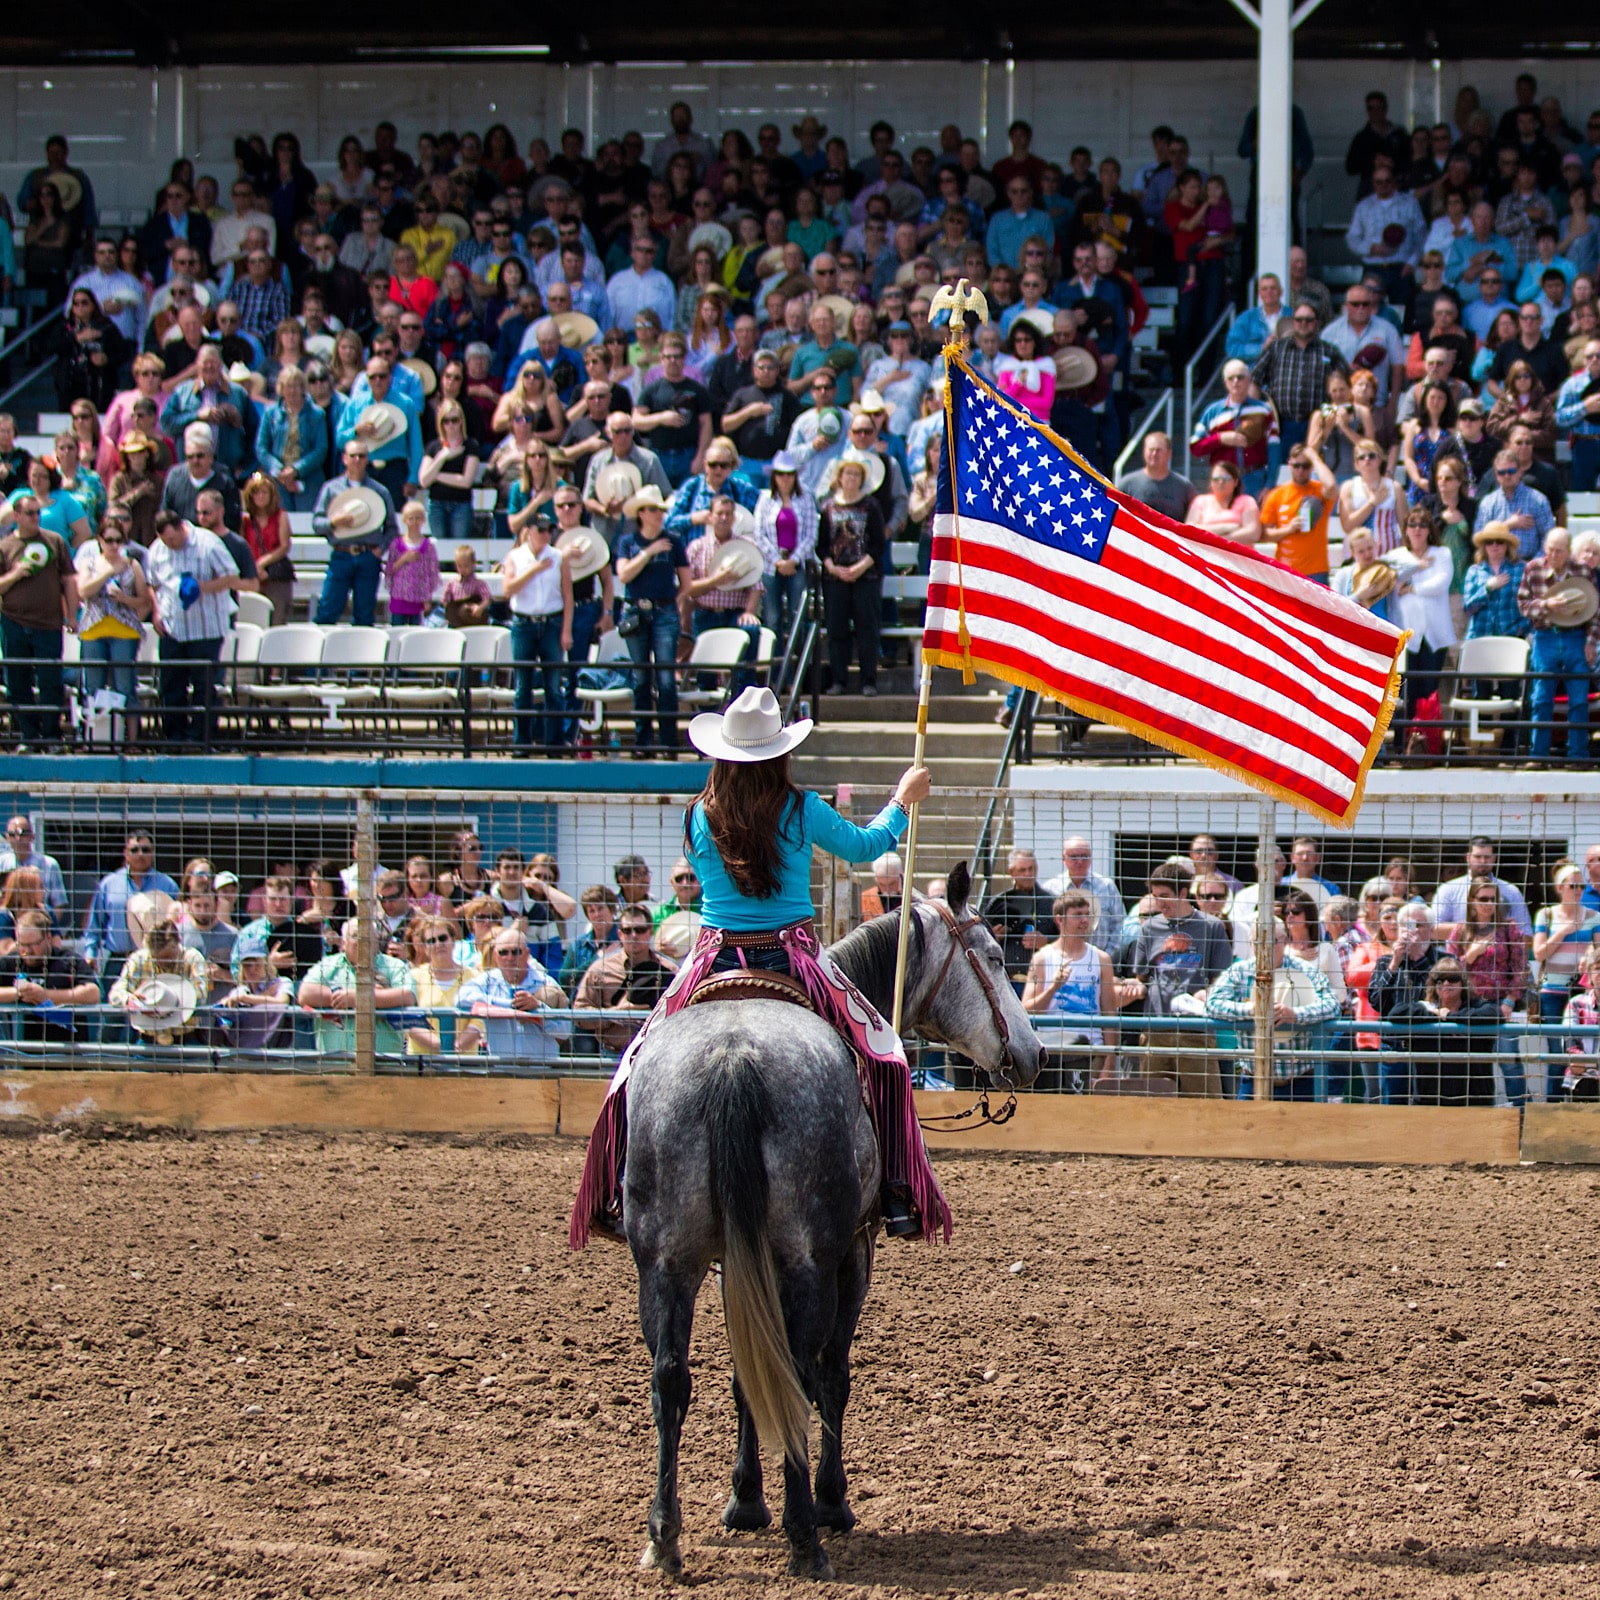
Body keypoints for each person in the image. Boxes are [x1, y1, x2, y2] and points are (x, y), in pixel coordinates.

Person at [575, 685, 943, 1242]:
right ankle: (897, 1189)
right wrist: (902, 801)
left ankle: (616, 1189)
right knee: (886, 1056)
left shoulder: (698, 816)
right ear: (780, 753)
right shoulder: (802, 809)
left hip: (713, 954)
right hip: (794, 955)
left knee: (632, 1065)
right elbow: (867, 847)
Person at [1124, 860, 1234, 1097]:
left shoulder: (1212, 927)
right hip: (1156, 1030)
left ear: (1183, 893)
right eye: (1155, 896)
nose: (1159, 902)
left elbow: (1224, 978)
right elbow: (1141, 977)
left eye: (1164, 895)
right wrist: (1133, 985)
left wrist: (1208, 992)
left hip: (1195, 1031)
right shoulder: (1149, 928)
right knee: (1153, 1103)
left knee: (1206, 1104)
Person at [1206, 919, 1339, 1101]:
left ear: (1285, 941)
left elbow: (1332, 1005)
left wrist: (1295, 1014)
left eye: (1273, 941)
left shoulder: (1306, 971)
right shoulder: (1239, 972)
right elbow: (1212, 1004)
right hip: (1253, 1081)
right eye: (1259, 942)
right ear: (1251, 944)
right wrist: (1251, 1010)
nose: (1265, 948)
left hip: (1301, 1082)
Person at [144, 509, 237, 745]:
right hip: (172, 628)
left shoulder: (208, 543)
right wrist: (155, 612)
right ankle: (173, 737)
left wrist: (201, 587)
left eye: (172, 539)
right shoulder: (157, 549)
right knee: (171, 686)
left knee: (203, 686)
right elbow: (152, 584)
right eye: (165, 540)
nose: (169, 544)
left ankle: (200, 738)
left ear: (181, 528)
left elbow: (231, 576)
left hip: (205, 629)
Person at [1020, 889, 1119, 1088]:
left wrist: (1109, 1065)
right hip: (1052, 1051)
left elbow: (1110, 1015)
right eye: (1077, 915)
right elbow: (1027, 1009)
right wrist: (1054, 987)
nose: (1084, 920)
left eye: (1087, 914)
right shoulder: (1042, 958)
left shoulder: (1101, 959)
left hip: (1091, 1052)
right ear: (1060, 919)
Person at [0, 494, 76, 750]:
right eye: (30, 513)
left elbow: (69, 580)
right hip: (13, 622)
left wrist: (73, 615)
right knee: (17, 684)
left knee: (50, 682)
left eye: (38, 513)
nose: (36, 517)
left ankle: (52, 737)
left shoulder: (54, 541)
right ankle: (29, 737)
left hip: (48, 623)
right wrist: (17, 573)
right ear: (17, 516)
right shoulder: (5, 547)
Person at [1517, 527, 1599, 760]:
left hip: (1576, 636)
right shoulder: (1533, 569)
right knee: (1541, 698)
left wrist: (1591, 642)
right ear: (1545, 548)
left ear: (1568, 551)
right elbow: (1523, 606)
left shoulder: (1582, 570)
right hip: (1545, 636)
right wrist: (1546, 605)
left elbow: (1595, 611)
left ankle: (1578, 755)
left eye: (1559, 551)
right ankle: (1538, 755)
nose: (1554, 555)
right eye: (1551, 550)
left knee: (1579, 699)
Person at [1386, 959, 1506, 1107]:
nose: (1446, 984)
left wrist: (1450, 1017)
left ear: (1462, 983)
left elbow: (1496, 1014)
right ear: (1434, 985)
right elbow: (1395, 1013)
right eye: (1440, 980)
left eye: (1453, 979)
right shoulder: (1425, 1009)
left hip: (1475, 1101)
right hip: (1430, 1101)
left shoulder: (1478, 1007)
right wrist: (1437, 1016)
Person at [817, 449, 886, 697]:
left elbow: (878, 543)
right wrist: (833, 567)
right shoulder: (828, 507)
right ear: (840, 476)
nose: (852, 478)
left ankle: (869, 680)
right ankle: (839, 680)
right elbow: (822, 544)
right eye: (848, 474)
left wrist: (859, 568)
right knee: (837, 631)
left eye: (857, 474)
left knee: (867, 629)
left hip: (865, 577)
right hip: (835, 578)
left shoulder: (871, 506)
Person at [503, 511, 573, 752]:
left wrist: (566, 630)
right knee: (523, 686)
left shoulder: (558, 557)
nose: (546, 534)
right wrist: (534, 570)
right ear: (529, 531)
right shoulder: (515, 556)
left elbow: (567, 595)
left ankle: (553, 742)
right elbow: (508, 589)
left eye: (548, 530)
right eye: (541, 530)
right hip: (524, 623)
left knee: (553, 686)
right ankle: (522, 742)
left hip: (551, 623)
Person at [298, 918, 417, 1059]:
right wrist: (343, 997)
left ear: (377, 942)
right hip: (334, 1068)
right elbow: (304, 994)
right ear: (343, 943)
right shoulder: (328, 965)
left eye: (368, 936)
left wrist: (359, 998)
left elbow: (408, 995)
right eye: (355, 936)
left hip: (385, 1066)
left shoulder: (395, 966)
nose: (362, 941)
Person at [312, 441, 398, 627]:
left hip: (368, 555)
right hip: (341, 553)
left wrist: (380, 549)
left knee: (365, 614)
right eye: (353, 456)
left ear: (367, 459)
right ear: (344, 459)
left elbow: (392, 528)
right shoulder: (331, 489)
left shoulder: (380, 491)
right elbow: (317, 523)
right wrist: (333, 523)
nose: (357, 460)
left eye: (362, 456)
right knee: (327, 609)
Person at [457, 928, 571, 1068]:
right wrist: (506, 1005)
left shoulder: (547, 984)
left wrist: (538, 1010)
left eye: (516, 952)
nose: (509, 958)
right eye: (503, 952)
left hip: (541, 1074)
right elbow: (460, 998)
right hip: (502, 1074)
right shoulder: (487, 981)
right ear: (495, 956)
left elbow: (566, 1031)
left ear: (527, 954)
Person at [575, 903, 678, 1053]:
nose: (634, 935)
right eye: (627, 930)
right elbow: (579, 1014)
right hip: (613, 1054)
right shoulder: (600, 969)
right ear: (619, 934)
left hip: (657, 1054)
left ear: (650, 932)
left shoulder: (671, 970)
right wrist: (614, 1014)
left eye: (640, 930)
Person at [83, 830, 179, 976]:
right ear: (125, 853)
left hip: (156, 962)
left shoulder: (167, 886)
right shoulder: (109, 884)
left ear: (152, 853)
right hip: (118, 961)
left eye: (145, 850)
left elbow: (179, 925)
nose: (140, 854)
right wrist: (90, 954)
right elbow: (95, 926)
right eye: (134, 850)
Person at [109, 915, 213, 1048]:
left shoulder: (192, 958)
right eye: (156, 958)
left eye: (167, 957)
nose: (161, 963)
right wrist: (130, 1000)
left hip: (186, 1039)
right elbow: (116, 993)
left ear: (178, 944)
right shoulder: (139, 959)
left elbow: (201, 995)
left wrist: (168, 1002)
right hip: (148, 1041)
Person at [0, 909, 98, 1046]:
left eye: (32, 945)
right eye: (22, 944)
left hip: (68, 1052)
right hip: (23, 1054)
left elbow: (93, 992)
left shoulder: (68, 960)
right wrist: (18, 993)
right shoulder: (11, 962)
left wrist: (45, 995)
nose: (27, 951)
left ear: (48, 937)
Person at [405, 914, 483, 1061]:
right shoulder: (414, 977)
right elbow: (408, 1020)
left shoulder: (473, 976)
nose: (438, 944)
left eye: (443, 938)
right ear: (424, 948)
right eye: (431, 941)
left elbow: (479, 1018)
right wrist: (441, 1046)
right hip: (423, 1064)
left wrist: (457, 1046)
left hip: (466, 1064)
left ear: (453, 940)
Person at [1258, 442, 1336, 583]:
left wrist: (1315, 458)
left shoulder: (1318, 490)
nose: (1300, 470)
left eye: (1305, 466)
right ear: (1289, 464)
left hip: (1316, 570)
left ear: (1311, 467)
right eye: (1296, 466)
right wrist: (1289, 529)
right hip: (1286, 570)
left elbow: (1331, 486)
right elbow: (1264, 535)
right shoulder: (1277, 495)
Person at [984, 848, 1057, 988]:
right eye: (1022, 870)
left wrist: (1046, 941)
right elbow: (980, 940)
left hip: (1040, 982)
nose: (1028, 874)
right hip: (1004, 982)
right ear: (1011, 872)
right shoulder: (998, 903)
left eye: (1031, 869)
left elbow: (1067, 939)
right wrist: (994, 936)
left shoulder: (1051, 902)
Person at [1115, 431, 1194, 523]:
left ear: (1169, 454)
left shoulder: (1184, 487)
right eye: (1151, 450)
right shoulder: (1127, 484)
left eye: (1158, 450)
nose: (1154, 454)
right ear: (1144, 452)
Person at [1186, 460, 1261, 544]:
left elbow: (1253, 534)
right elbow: (1190, 530)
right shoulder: (1200, 501)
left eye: (1226, 479)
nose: (1221, 483)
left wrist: (1217, 540)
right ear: (1210, 482)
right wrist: (1226, 527)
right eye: (1216, 479)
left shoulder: (1247, 501)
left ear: (1235, 482)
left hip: (1237, 555)